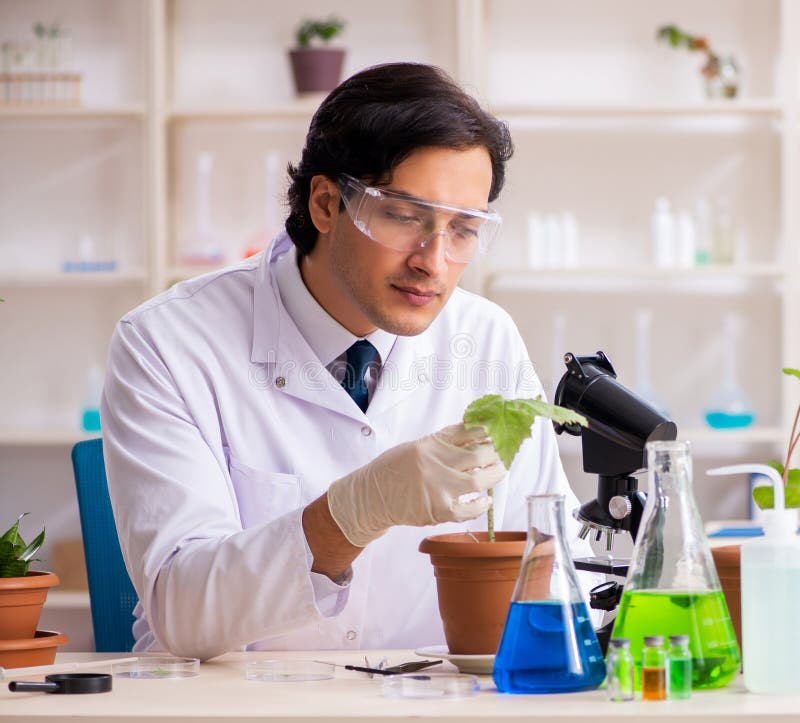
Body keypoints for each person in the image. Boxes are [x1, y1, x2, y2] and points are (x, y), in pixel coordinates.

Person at [101, 62, 594, 660]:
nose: (433, 262)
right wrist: (353, 512)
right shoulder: (168, 342)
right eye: (405, 217)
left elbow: (558, 560)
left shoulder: (486, 337)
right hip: (236, 703)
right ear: (327, 205)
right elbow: (182, 611)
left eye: (463, 229)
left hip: (434, 701)